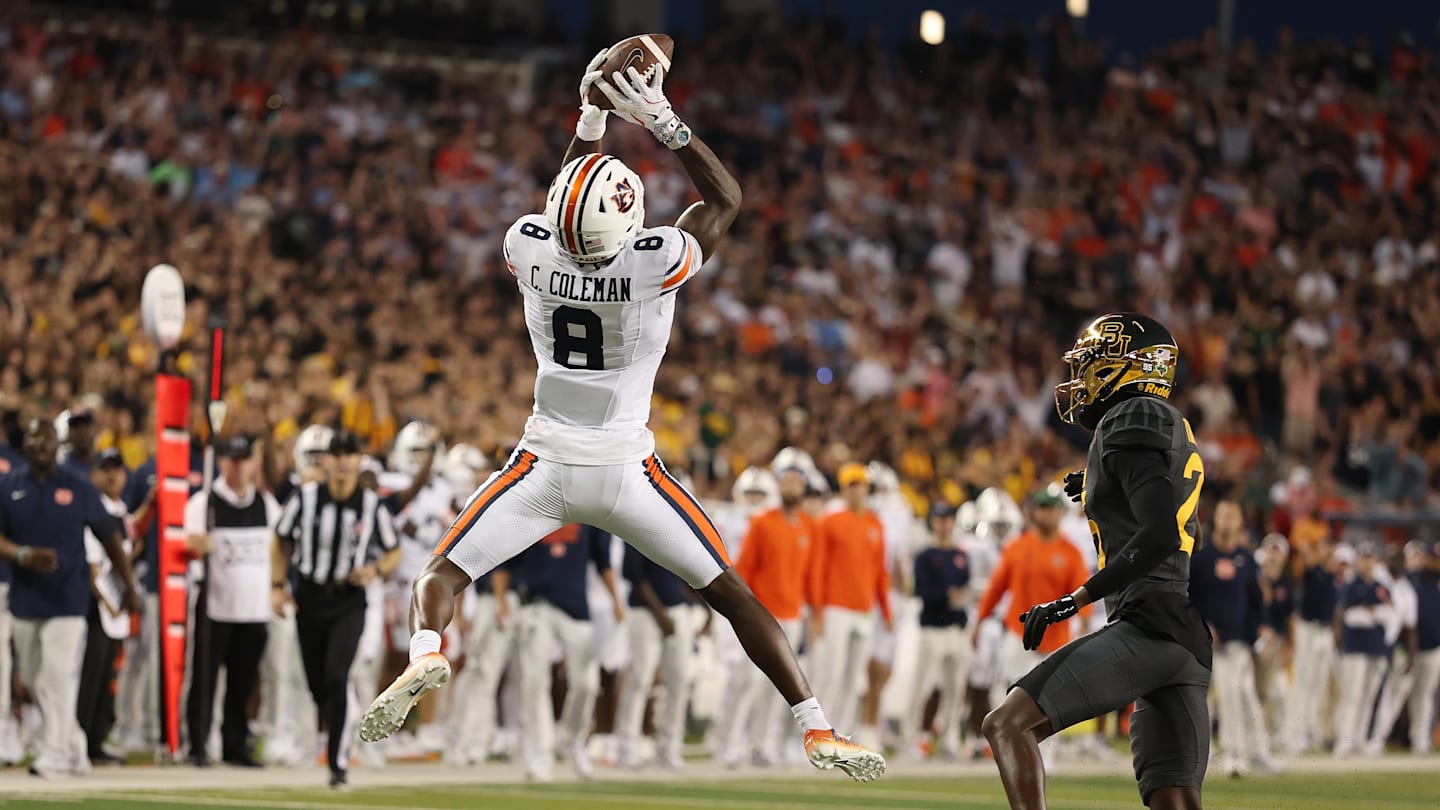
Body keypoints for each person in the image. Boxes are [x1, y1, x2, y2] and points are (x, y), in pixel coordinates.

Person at [360, 49, 884, 782]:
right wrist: (667, 125)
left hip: (541, 465)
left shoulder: (530, 249)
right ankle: (817, 725)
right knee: (729, 593)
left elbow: (561, 195)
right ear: (629, 217)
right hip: (626, 469)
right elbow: (724, 199)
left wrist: (592, 115)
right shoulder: (652, 261)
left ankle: (426, 654)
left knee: (443, 573)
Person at [983, 314, 1212, 810]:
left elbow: (1160, 533)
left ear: (1127, 366)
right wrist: (1096, 483)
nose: (1082, 377)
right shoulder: (1164, 422)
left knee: (1005, 724)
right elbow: (1175, 516)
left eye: (1092, 363)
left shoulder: (1132, 416)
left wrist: (1074, 598)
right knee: (1174, 801)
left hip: (1147, 625)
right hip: (1183, 636)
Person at [0, 419, 141, 778]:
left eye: (47, 437)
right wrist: (21, 555)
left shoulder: (78, 486)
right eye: (34, 437)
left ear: (55, 444)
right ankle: (75, 745)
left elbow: (109, 535)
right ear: (26, 445)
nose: (41, 444)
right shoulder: (9, 485)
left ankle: (56, 751)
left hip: (68, 598)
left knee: (57, 676)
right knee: (35, 680)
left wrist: (128, 586)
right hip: (26, 598)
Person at [273, 430, 402, 788]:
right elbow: (281, 538)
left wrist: (375, 570)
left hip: (348, 600)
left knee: (336, 675)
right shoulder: (306, 497)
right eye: (337, 454)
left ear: (359, 460)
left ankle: (338, 762)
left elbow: (394, 550)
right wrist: (277, 585)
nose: (343, 461)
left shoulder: (372, 504)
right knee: (318, 686)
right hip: (310, 598)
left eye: (350, 454)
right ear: (326, 460)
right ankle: (331, 741)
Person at [494, 524, 623, 780]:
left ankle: (572, 740)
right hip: (535, 603)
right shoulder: (534, 509)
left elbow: (603, 561)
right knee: (534, 681)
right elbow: (505, 561)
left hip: (575, 607)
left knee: (587, 683)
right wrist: (501, 601)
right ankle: (540, 754)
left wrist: (616, 600)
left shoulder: (588, 511)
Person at [183, 436, 280, 767]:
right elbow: (188, 543)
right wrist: (198, 545)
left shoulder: (266, 504)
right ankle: (197, 744)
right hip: (215, 605)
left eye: (243, 460)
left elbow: (278, 548)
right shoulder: (204, 503)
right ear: (220, 462)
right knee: (205, 680)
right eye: (230, 460)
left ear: (253, 463)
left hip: (254, 609)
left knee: (244, 682)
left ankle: (235, 745)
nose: (237, 468)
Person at [719, 464, 812, 767]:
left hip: (793, 614)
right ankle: (728, 743)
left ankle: (762, 744)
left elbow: (806, 575)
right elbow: (743, 570)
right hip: (762, 612)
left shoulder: (806, 525)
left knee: (779, 688)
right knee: (744, 680)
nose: (791, 486)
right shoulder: (761, 523)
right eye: (786, 480)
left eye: (796, 481)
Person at [806, 463, 893, 740]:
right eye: (850, 485)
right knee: (828, 674)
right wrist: (818, 611)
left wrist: (887, 611)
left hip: (864, 610)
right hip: (835, 607)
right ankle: (817, 734)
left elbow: (880, 572)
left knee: (852, 678)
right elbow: (817, 567)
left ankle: (839, 735)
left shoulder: (875, 524)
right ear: (843, 490)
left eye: (860, 485)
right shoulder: (830, 522)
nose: (856, 490)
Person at [1188, 500, 1274, 776]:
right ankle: (1203, 755)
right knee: (1201, 700)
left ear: (1240, 522)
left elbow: (1255, 600)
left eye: (1233, 515)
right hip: (1202, 642)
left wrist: (1259, 629)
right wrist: (1200, 625)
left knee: (1236, 696)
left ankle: (1240, 753)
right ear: (1216, 519)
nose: (1228, 519)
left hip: (1236, 642)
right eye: (1223, 514)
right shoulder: (1201, 556)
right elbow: (1187, 597)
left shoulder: (1245, 558)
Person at [616, 542, 700, 770]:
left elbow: (690, 572)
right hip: (645, 611)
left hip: (678, 608)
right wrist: (660, 614)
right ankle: (627, 748)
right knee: (640, 679)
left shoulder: (678, 526)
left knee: (680, 680)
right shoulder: (637, 522)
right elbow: (633, 574)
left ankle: (669, 747)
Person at [76, 449, 135, 766]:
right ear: (94, 474)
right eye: (105, 469)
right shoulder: (93, 510)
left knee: (106, 677)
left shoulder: (120, 510)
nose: (112, 475)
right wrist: (111, 604)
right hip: (98, 607)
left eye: (117, 468)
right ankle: (82, 740)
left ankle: (96, 739)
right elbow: (92, 567)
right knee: (90, 676)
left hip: (116, 604)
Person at [901, 502, 972, 759]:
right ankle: (910, 737)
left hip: (956, 627)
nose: (944, 524)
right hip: (932, 627)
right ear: (932, 522)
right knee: (922, 685)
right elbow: (919, 591)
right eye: (940, 519)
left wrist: (961, 598)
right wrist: (946, 595)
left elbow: (966, 587)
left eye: (948, 519)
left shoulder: (961, 555)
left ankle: (950, 735)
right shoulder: (925, 556)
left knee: (956, 688)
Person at [1282, 538, 1344, 754]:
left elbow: (1334, 610)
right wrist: (1315, 550)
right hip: (1308, 629)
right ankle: (1292, 733)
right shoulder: (1313, 571)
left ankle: (1308, 731)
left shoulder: (1332, 578)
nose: (1332, 558)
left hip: (1324, 632)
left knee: (1317, 684)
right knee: (1302, 682)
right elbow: (1306, 560)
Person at [1333, 542, 1393, 757]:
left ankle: (1358, 740)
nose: (1367, 562)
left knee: (1368, 697)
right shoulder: (1352, 585)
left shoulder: (1381, 586)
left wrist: (1372, 612)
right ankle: (1345, 740)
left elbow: (1390, 614)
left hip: (1376, 647)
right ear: (1358, 560)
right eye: (1364, 557)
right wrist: (1374, 613)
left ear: (1376, 560)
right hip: (1355, 648)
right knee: (1352, 695)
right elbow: (1348, 616)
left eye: (1371, 557)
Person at [1367, 542, 1421, 755]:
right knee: (1366, 694)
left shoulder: (1406, 591)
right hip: (1369, 644)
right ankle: (1356, 738)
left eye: (1399, 559)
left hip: (1393, 647)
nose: (1395, 563)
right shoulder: (1377, 577)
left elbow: (1410, 628)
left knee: (1392, 695)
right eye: (1392, 558)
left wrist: (1411, 656)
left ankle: (1377, 739)